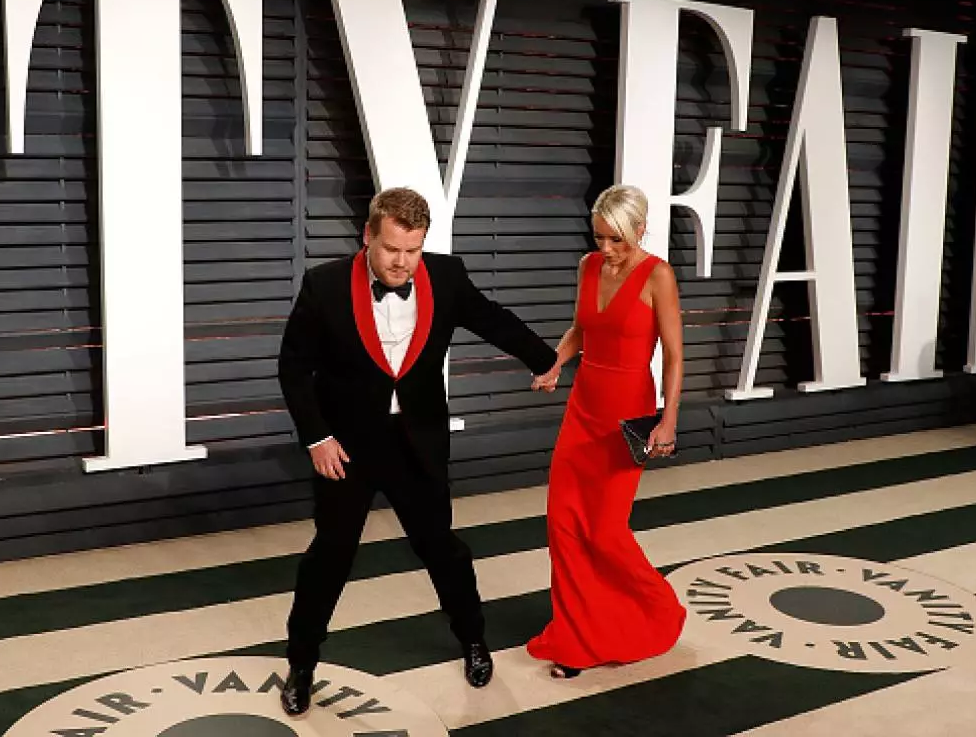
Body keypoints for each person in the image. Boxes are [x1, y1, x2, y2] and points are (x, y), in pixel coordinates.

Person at [276, 186, 558, 715]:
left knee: (442, 549)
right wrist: (317, 436)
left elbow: (491, 318)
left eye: (412, 250)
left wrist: (542, 359)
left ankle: (473, 640)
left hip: (418, 442)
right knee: (330, 558)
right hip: (346, 448)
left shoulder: (446, 276)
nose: (402, 262)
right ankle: (302, 663)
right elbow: (293, 368)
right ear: (368, 236)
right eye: (391, 250)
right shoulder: (325, 285)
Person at [526, 184, 688, 678]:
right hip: (583, 406)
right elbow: (581, 330)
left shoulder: (658, 274)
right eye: (599, 238)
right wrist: (554, 364)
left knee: (605, 530)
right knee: (564, 524)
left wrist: (669, 418)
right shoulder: (588, 267)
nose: (607, 250)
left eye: (617, 240)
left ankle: (657, 609)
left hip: (627, 412)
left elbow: (676, 354)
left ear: (639, 230)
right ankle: (578, 637)